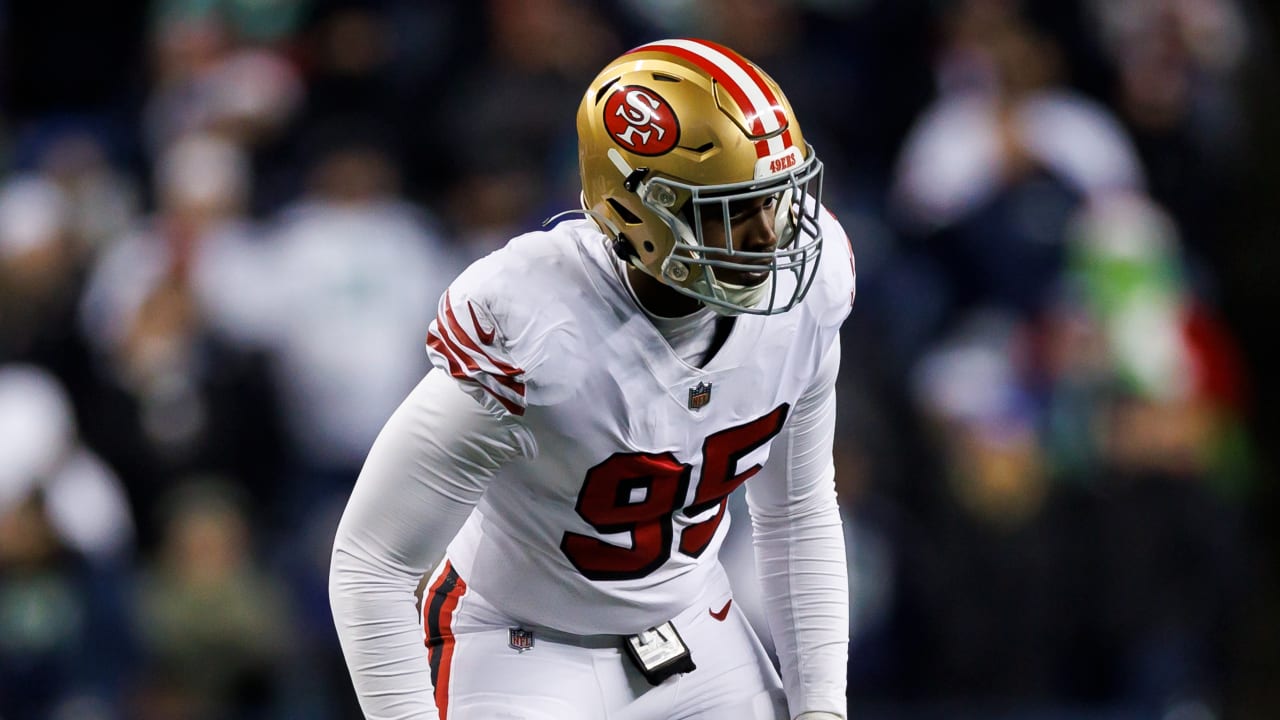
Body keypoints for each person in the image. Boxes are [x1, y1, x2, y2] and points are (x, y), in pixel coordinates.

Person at [330, 38, 855, 720]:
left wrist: (822, 710)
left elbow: (797, 511)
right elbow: (372, 562)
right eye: (728, 209)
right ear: (637, 210)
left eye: (774, 200)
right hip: (518, 649)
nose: (767, 236)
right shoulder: (538, 330)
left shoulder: (808, 299)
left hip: (698, 628)